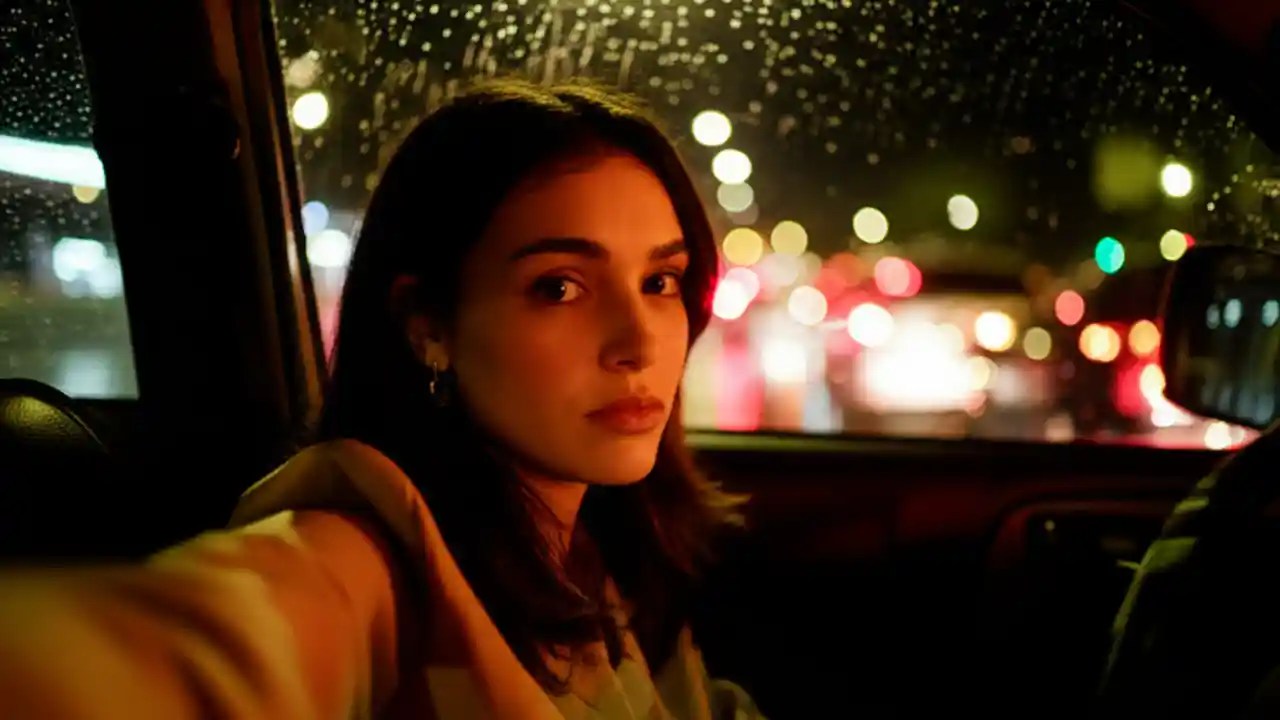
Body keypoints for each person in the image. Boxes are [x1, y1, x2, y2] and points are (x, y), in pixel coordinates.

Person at [0, 78, 764, 719]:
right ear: (428, 327)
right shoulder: (364, 561)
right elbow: (181, 653)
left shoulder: (599, 550)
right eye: (559, 286)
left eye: (659, 281)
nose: (640, 340)